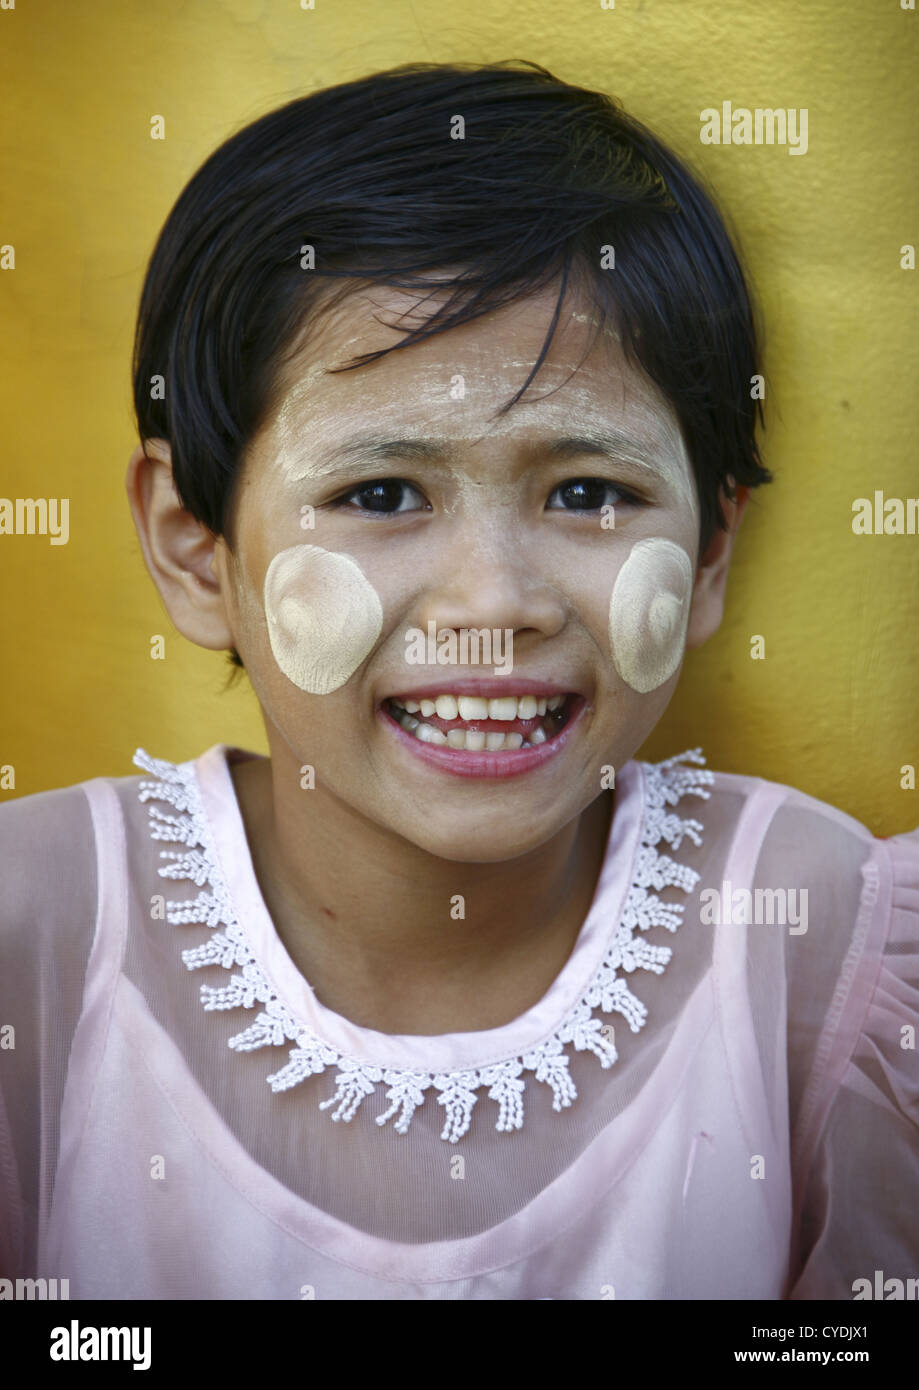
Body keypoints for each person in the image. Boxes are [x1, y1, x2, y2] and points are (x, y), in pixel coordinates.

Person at [1, 60, 916, 1301]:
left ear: (709, 552)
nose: (494, 602)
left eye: (589, 493)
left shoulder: (812, 939)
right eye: (380, 495)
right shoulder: (39, 935)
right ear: (194, 547)